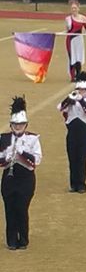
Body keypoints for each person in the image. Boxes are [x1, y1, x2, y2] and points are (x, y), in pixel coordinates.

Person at [0, 97, 41, 251]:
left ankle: (23, 239)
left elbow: (37, 160)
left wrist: (22, 153)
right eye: (15, 124)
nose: (18, 127)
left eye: (21, 124)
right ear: (11, 125)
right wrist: (6, 157)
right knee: (10, 208)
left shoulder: (32, 139)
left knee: (22, 208)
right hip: (9, 178)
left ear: (26, 125)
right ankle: (11, 240)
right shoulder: (4, 138)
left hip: (25, 179)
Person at [57, 71, 86, 193]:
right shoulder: (71, 103)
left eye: (83, 90)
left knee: (82, 159)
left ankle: (81, 184)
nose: (81, 92)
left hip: (84, 135)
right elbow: (60, 107)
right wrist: (69, 98)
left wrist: (81, 100)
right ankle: (73, 184)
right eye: (79, 89)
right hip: (72, 134)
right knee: (72, 159)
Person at [65, 0, 86, 81]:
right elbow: (67, 30)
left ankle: (78, 75)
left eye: (75, 8)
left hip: (79, 40)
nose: (73, 10)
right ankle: (72, 77)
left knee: (78, 57)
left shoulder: (83, 18)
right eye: (72, 8)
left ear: (78, 8)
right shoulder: (68, 19)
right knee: (72, 58)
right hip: (70, 40)